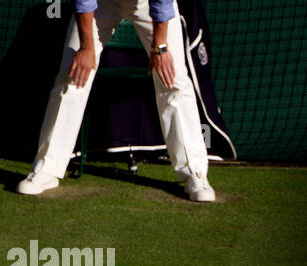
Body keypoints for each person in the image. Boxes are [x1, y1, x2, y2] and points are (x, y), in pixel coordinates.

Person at [16, 0, 215, 202]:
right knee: (72, 77)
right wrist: (86, 48)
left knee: (174, 81)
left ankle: (194, 172)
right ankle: (46, 169)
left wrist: (160, 48)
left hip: (148, 4)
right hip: (101, 3)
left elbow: (162, 3)